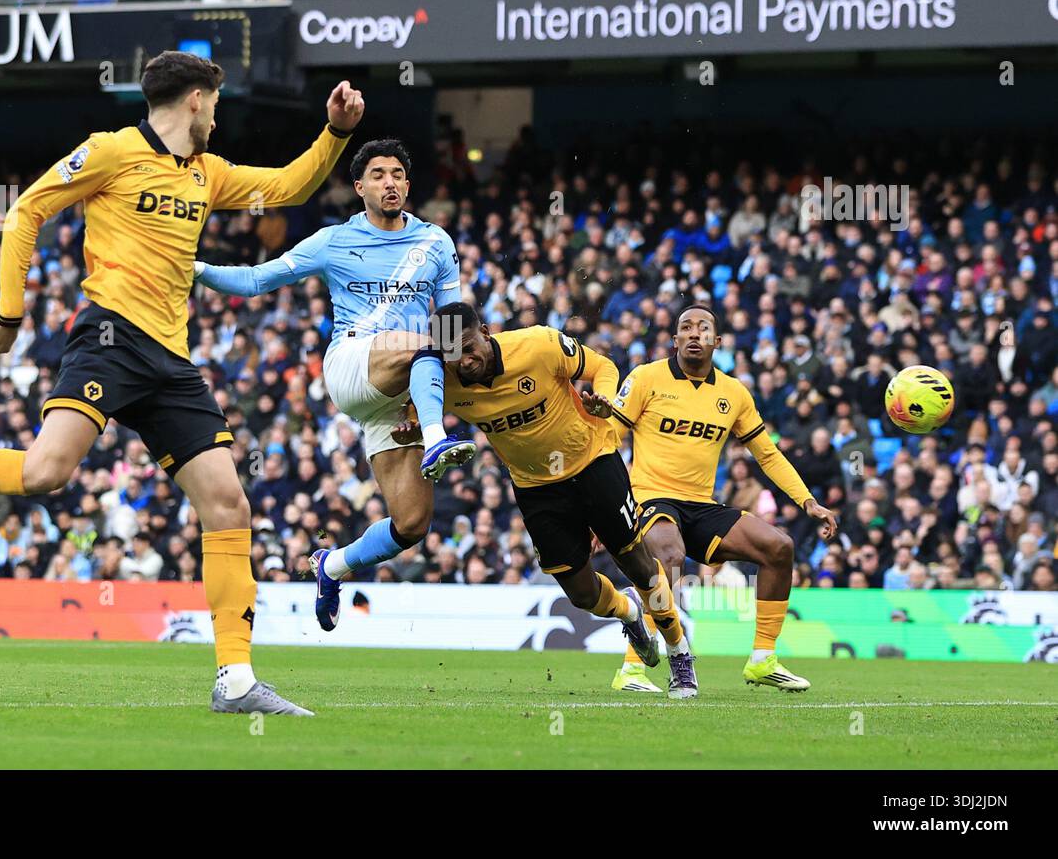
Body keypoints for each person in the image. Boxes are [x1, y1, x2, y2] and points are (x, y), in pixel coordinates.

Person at [0, 51, 367, 717]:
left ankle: (234, 681)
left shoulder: (210, 172)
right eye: (217, 105)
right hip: (109, 340)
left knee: (229, 504)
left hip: (171, 361)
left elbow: (287, 186)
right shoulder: (109, 152)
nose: (219, 118)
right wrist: (9, 314)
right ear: (195, 100)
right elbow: (26, 211)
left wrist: (335, 133)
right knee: (43, 473)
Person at [194, 139, 477, 631]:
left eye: (397, 174)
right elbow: (257, 280)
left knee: (411, 524)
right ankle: (436, 441)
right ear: (359, 186)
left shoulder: (437, 243)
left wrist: (429, 395)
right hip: (352, 362)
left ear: (408, 185)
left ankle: (333, 566)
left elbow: (454, 325)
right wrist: (194, 269)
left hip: (403, 385)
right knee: (426, 341)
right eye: (379, 174)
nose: (390, 182)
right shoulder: (332, 241)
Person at [390, 303, 693, 696]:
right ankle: (630, 612)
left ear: (484, 330)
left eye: (469, 347)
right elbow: (417, 410)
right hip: (536, 487)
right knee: (581, 593)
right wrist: (411, 426)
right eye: (453, 356)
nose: (465, 362)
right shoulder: (444, 381)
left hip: (593, 461)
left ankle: (678, 650)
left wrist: (604, 399)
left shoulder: (538, 344)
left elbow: (602, 366)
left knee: (635, 562)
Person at [609, 303, 838, 694]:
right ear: (675, 339)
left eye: (703, 328)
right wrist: (602, 506)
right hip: (650, 497)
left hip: (701, 504)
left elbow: (767, 453)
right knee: (669, 556)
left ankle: (763, 659)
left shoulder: (733, 393)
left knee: (779, 547)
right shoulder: (646, 377)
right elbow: (609, 438)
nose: (694, 333)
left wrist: (807, 501)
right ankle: (632, 669)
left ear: (717, 341)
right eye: (686, 327)